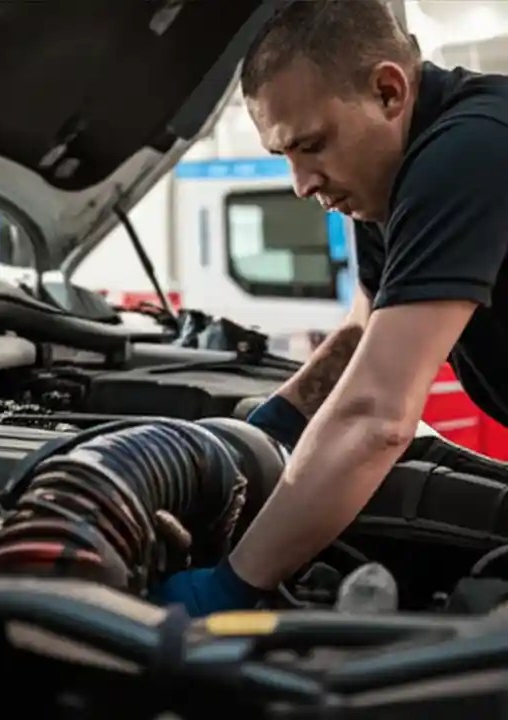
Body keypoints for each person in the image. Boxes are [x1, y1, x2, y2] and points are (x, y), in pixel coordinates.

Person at [156, 0, 508, 617]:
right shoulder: (389, 177)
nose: (301, 184)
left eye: (312, 145)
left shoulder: (471, 149)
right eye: (284, 156)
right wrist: (264, 430)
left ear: (388, 90)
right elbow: (362, 332)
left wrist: (231, 588)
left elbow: (377, 417)